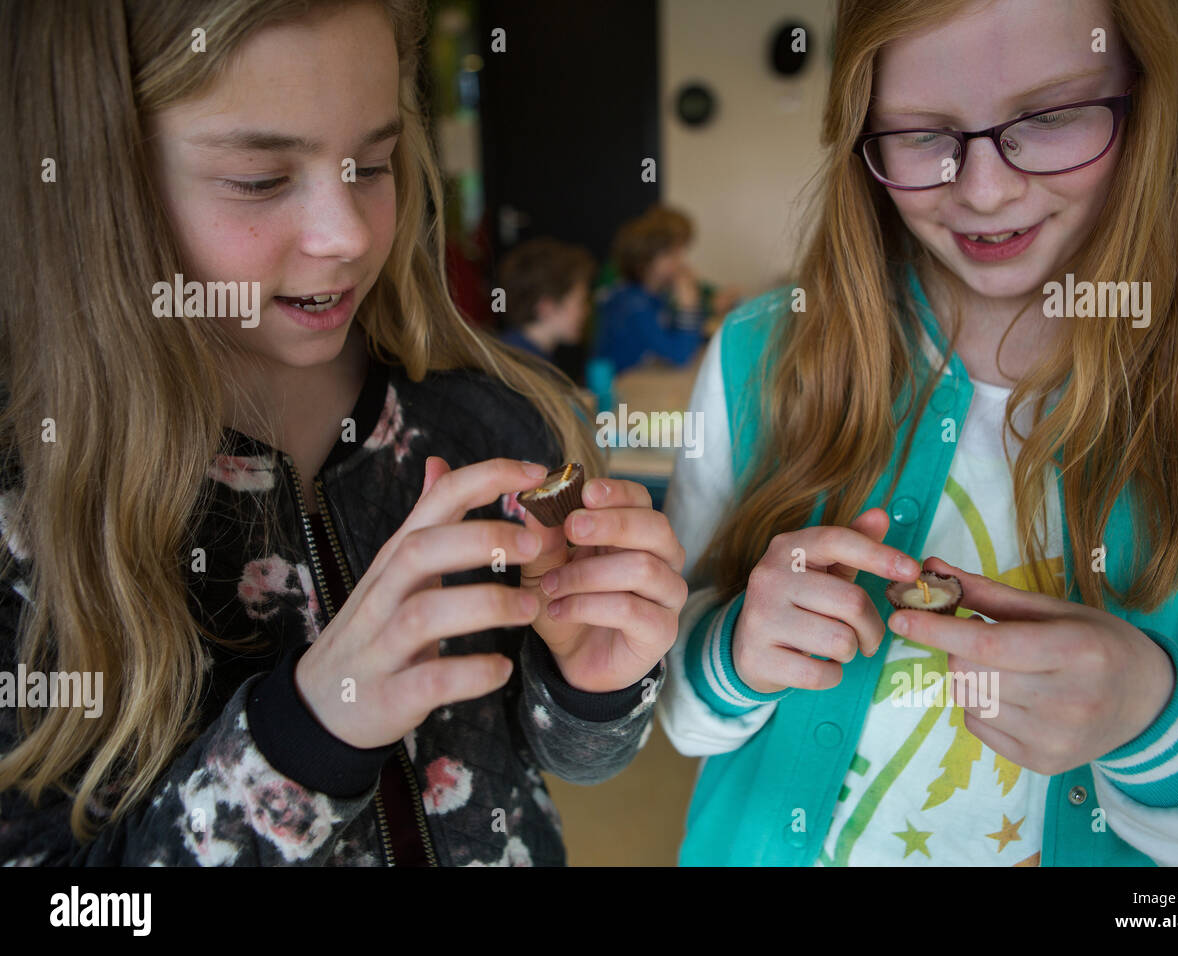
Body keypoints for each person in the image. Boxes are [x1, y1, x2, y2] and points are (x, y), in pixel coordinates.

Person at [0, 0, 687, 866]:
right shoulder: (28, 515)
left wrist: (594, 687)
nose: (347, 234)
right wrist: (307, 736)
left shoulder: (494, 416)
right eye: (259, 178)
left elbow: (572, 757)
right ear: (105, 183)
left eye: (374, 163)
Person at [658, 0, 1178, 866]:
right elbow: (681, 709)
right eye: (921, 134)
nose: (986, 190)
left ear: (1146, 99)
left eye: (1053, 116)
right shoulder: (757, 355)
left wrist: (1153, 714)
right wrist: (732, 651)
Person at [594, 205, 728, 373]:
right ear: (645, 260)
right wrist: (688, 306)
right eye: (671, 255)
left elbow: (684, 340)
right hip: (619, 394)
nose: (680, 262)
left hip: (639, 383)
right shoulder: (633, 304)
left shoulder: (654, 297)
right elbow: (680, 356)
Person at [496, 238, 596, 365]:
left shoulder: (509, 351)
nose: (587, 310)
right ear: (546, 307)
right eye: (580, 302)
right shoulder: (529, 367)